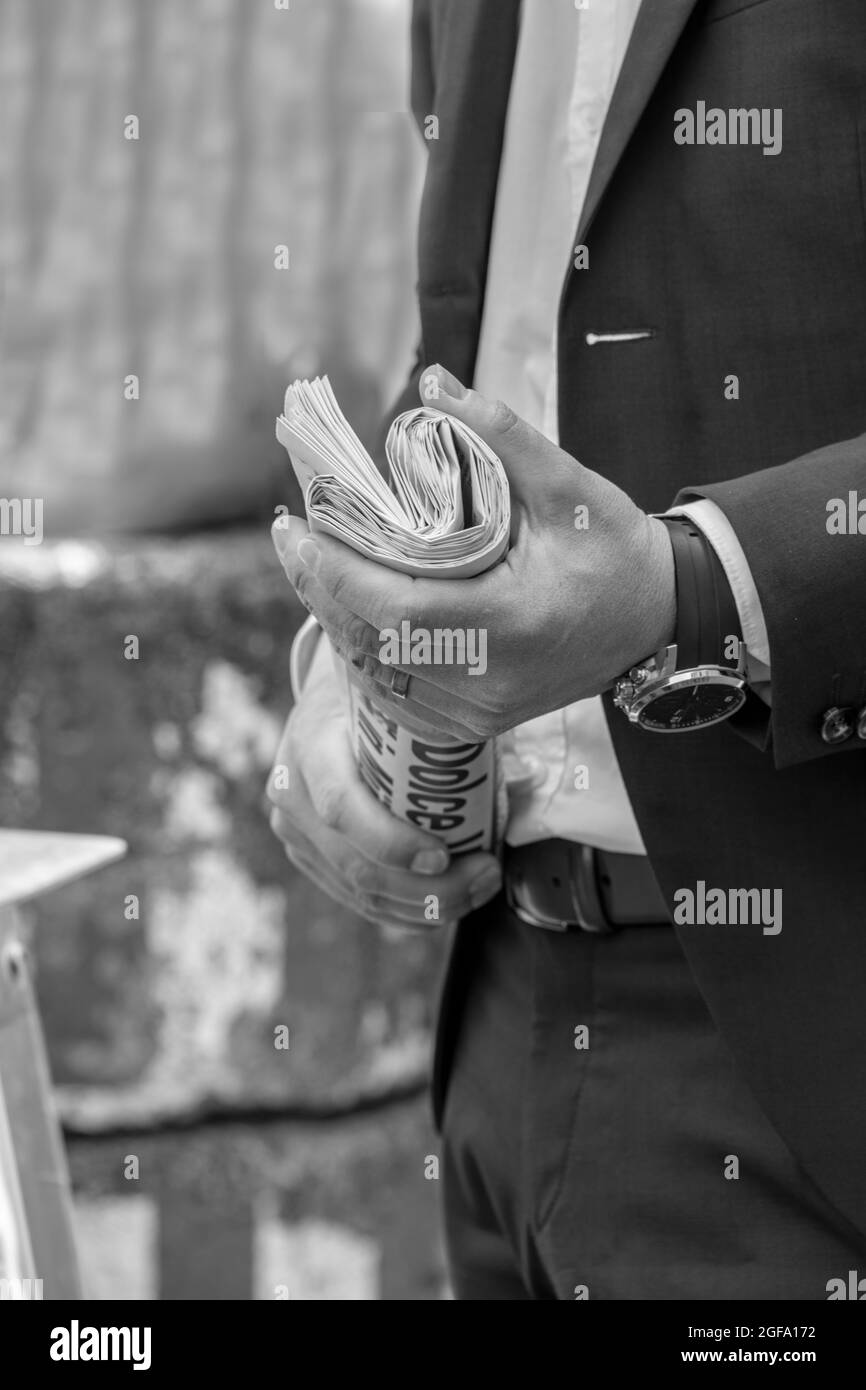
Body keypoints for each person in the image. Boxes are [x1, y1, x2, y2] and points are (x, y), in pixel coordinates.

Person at [268, 0, 866, 1299]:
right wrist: (350, 672)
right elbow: (488, 370)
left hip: (804, 1060)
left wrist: (692, 586)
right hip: (500, 1024)